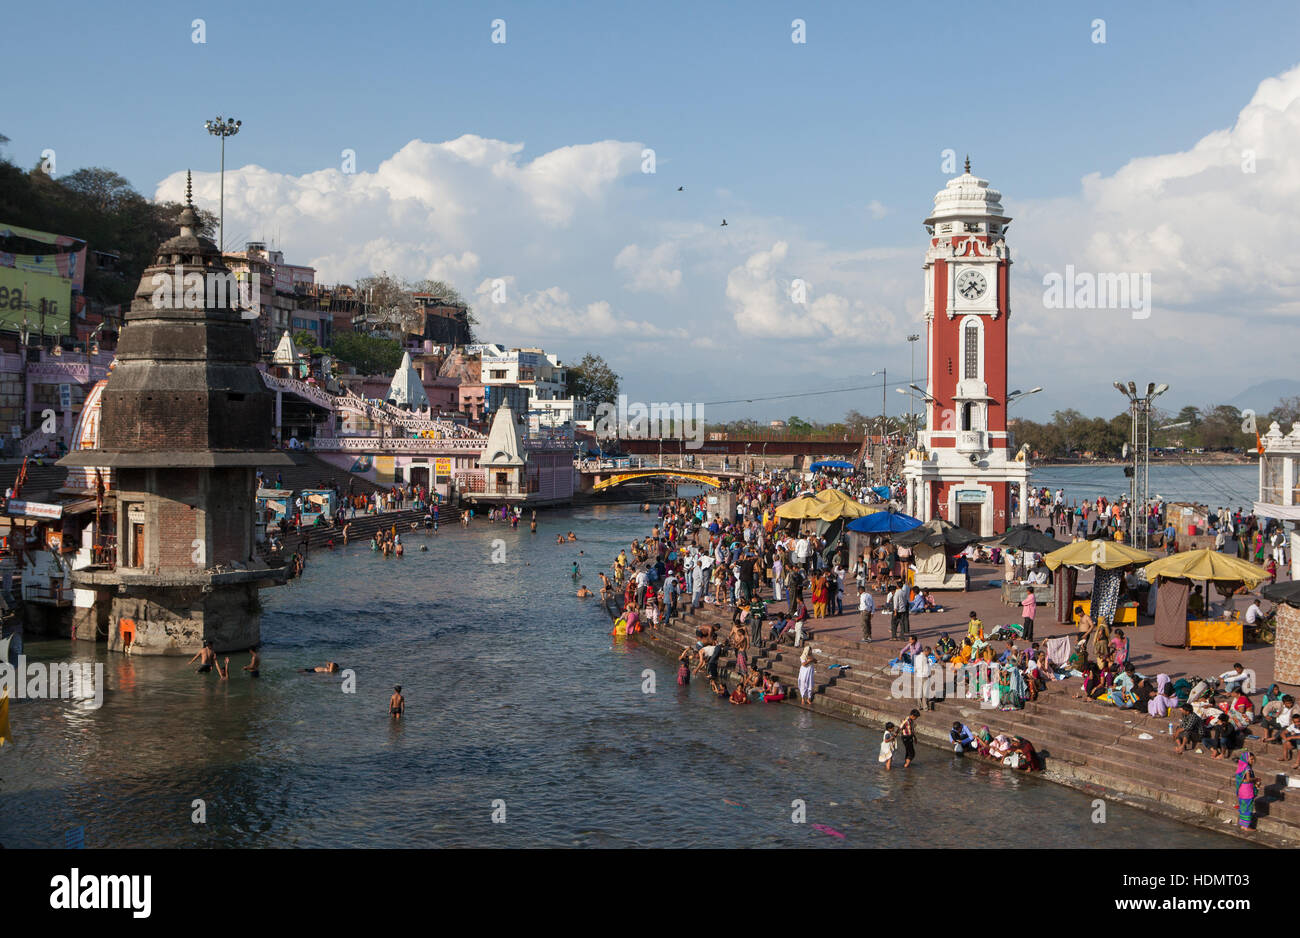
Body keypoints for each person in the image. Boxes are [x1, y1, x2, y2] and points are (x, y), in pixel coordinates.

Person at [1235, 750, 1258, 831]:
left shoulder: (1241, 766)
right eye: (1251, 759)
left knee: (1243, 807)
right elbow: (1248, 779)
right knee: (1248, 807)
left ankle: (1242, 825)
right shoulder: (1247, 768)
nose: (1253, 761)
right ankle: (1246, 827)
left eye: (1253, 759)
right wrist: (1256, 779)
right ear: (1246, 759)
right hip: (1247, 790)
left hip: (1241, 790)